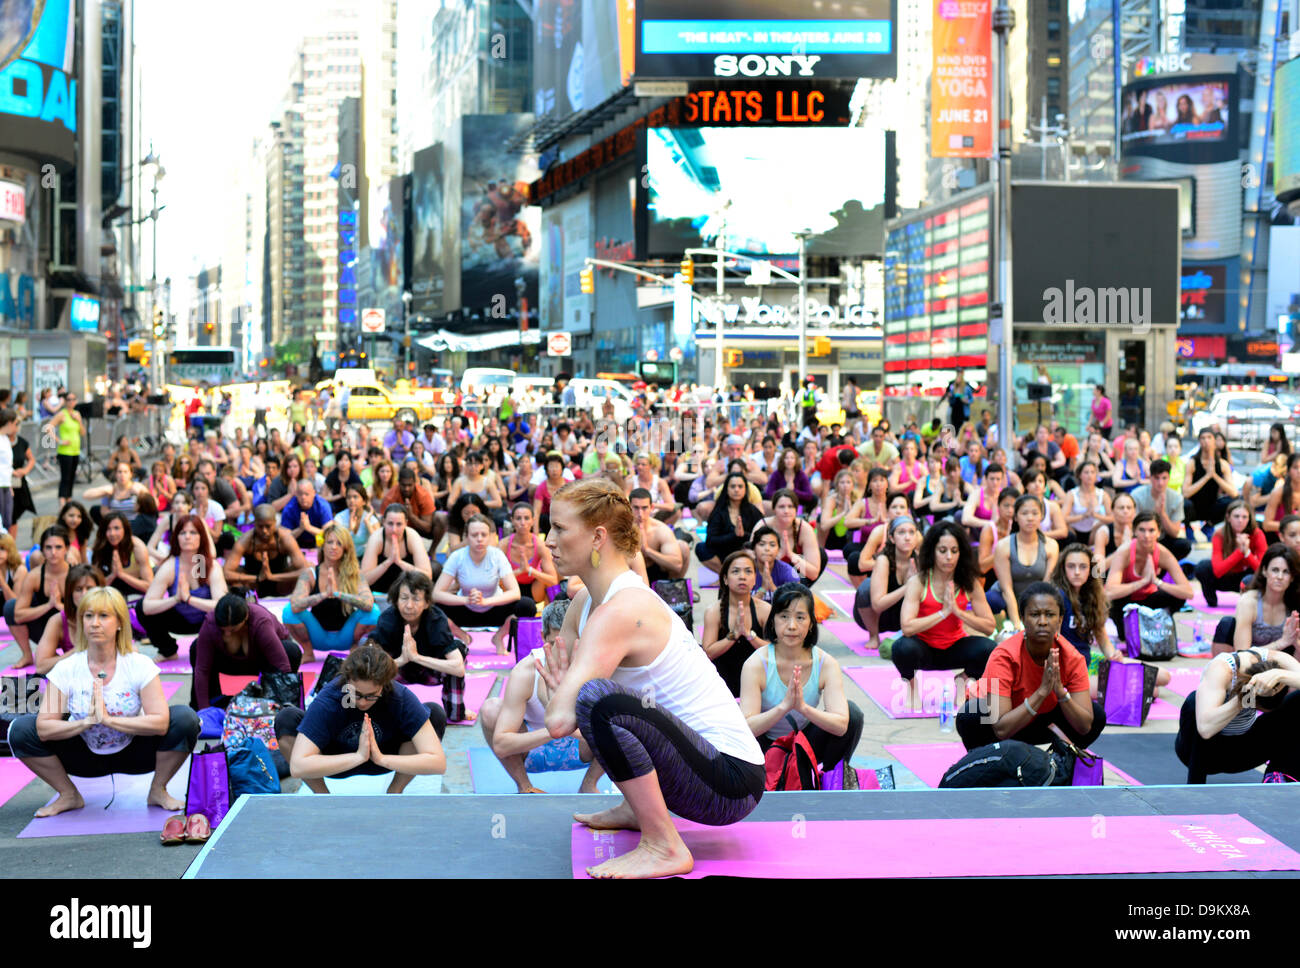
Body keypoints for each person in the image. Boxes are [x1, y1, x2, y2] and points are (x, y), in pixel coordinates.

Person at [537, 478, 765, 879]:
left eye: (559, 528)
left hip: (731, 783)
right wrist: (568, 702)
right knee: (597, 701)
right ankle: (636, 809)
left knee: (597, 699)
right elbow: (580, 740)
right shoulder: (585, 603)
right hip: (696, 769)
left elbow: (559, 720)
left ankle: (664, 844)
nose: (548, 540)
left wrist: (565, 696)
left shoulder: (623, 609)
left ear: (597, 537)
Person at [8, 587, 200, 817]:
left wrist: (109, 720)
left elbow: (160, 723)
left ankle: (158, 790)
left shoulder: (139, 664)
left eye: (103, 616)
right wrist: (85, 723)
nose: (95, 623)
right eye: (88, 616)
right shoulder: (66, 668)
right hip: (83, 756)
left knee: (185, 719)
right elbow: (43, 727)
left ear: (119, 622)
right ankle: (68, 794)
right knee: (20, 730)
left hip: (136, 754)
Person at [276, 644, 446, 793]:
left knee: (433, 713)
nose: (363, 702)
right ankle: (323, 795)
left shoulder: (400, 696)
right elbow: (298, 767)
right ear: (347, 681)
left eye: (371, 696)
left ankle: (395, 790)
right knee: (286, 718)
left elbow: (438, 763)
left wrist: (381, 758)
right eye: (356, 694)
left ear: (384, 685)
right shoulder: (330, 698)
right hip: (337, 761)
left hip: (384, 758)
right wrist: (359, 756)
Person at [957, 582, 1106, 752]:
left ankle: (1056, 765)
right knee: (970, 714)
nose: (1042, 622)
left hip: (1041, 720)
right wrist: (1042, 691)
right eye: (1035, 614)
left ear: (1060, 620)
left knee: (1096, 715)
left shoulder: (1072, 657)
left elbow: (1085, 727)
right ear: (1022, 618)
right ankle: (988, 762)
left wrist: (1060, 692)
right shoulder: (1004, 656)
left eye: (1050, 615)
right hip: (1002, 723)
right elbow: (1001, 729)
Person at [478, 599, 605, 793]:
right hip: (531, 749)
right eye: (556, 644)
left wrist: (565, 728)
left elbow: (612, 731)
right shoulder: (526, 670)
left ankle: (589, 784)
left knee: (623, 717)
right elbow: (502, 745)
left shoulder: (597, 665)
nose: (565, 652)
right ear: (543, 637)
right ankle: (524, 786)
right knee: (491, 709)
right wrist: (554, 730)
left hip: (581, 748)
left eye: (572, 644)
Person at [740, 582, 863, 778]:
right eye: (784, 617)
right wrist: (784, 707)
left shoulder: (826, 663)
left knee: (853, 714)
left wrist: (803, 707)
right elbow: (746, 728)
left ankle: (830, 778)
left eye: (800, 617)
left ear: (811, 623)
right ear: (773, 621)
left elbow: (841, 726)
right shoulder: (756, 664)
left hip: (805, 744)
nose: (791, 626)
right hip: (764, 748)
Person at [894, 520, 998, 711]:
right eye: (942, 551)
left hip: (954, 648)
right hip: (924, 648)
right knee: (901, 648)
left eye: (954, 551)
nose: (949, 557)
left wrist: (959, 613)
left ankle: (963, 680)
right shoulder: (919, 581)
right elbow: (907, 627)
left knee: (991, 650)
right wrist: (943, 613)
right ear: (933, 552)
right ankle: (911, 688)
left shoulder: (969, 582)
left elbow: (990, 626)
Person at [1174, 627, 1300, 784]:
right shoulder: (1221, 669)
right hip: (1202, 753)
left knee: (1298, 700)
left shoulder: (1278, 660)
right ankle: (1195, 787)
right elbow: (1205, 729)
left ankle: (1278, 774)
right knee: (1195, 703)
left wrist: (1282, 675)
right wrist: (1243, 699)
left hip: (1243, 749)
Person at [1050, 544, 1170, 693]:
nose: (1076, 572)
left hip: (1088, 661)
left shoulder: (1092, 597)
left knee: (1163, 676)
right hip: (1068, 671)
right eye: (1071, 566)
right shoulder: (1057, 597)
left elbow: (1103, 640)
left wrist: (1114, 655)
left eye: (1083, 567)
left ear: (1090, 570)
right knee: (1151, 691)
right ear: (1063, 569)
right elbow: (1052, 642)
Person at [366, 571, 471, 720]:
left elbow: (458, 669)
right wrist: (403, 659)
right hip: (396, 671)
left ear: (427, 602)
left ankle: (455, 710)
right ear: (396, 600)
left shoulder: (436, 620)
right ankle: (382, 708)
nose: (409, 605)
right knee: (369, 662)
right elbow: (369, 669)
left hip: (430, 671)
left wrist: (416, 657)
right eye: (404, 598)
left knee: (460, 649)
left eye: (416, 599)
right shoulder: (388, 619)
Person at [283, 524, 383, 663]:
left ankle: (355, 650)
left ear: (345, 548)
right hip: (317, 636)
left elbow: (368, 603)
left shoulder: (355, 574)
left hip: (346, 636)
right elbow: (294, 605)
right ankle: (308, 651)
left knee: (374, 612)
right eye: (330, 542)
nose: (334, 547)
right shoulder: (310, 573)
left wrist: (338, 594)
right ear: (323, 545)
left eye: (339, 543)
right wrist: (324, 594)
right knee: (289, 611)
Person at [137, 513, 227, 659]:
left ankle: (221, 648)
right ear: (176, 537)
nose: (187, 537)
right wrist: (177, 598)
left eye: (193, 532)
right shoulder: (170, 566)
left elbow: (222, 606)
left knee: (232, 606)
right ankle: (168, 650)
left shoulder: (210, 566)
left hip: (208, 622)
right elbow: (147, 607)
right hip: (180, 621)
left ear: (201, 537)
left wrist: (189, 599)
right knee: (140, 606)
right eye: (183, 533)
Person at [189, 595, 302, 711]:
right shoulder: (210, 623)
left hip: (262, 660)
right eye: (223, 630)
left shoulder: (260, 621)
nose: (228, 634)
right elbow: (202, 671)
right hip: (228, 662)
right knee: (196, 648)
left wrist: (287, 706)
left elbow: (282, 664)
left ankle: (275, 703)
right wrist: (204, 711)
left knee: (291, 651)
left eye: (232, 629)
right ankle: (211, 702)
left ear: (246, 618)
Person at [433, 514, 534, 644]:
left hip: (494, 609)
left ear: (490, 537)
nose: (479, 539)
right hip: (466, 610)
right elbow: (436, 593)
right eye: (474, 535)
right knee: (432, 608)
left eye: (484, 535)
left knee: (527, 605)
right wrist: (467, 600)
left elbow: (515, 592)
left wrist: (486, 601)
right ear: (467, 537)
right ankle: (463, 637)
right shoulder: (457, 556)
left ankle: (499, 637)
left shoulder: (497, 555)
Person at [1103, 512, 1195, 641]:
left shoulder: (1163, 553)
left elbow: (1188, 592)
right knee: (1113, 603)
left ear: (1159, 533)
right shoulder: (1125, 551)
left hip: (1149, 600)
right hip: (1126, 603)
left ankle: (1161, 622)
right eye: (1142, 530)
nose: (1146, 536)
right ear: (1134, 531)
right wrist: (1142, 582)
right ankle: (1127, 628)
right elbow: (1109, 592)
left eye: (1151, 530)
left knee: (1177, 596)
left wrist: (1157, 582)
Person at [700, 550, 772, 696]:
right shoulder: (713, 611)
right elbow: (708, 653)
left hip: (757, 683)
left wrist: (750, 635)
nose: (742, 576)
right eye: (735, 571)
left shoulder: (765, 610)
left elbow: (775, 652)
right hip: (722, 683)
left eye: (748, 571)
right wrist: (733, 635)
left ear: (754, 579)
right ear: (725, 579)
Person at [1208, 545, 1300, 656]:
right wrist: (1281, 643)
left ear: (1292, 577)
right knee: (1226, 624)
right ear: (1265, 571)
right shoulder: (1249, 601)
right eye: (1275, 570)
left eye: (1286, 572)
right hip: (1247, 666)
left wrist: (1296, 643)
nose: (1280, 576)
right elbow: (1241, 655)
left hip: (1281, 665)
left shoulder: (1295, 604)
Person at [987, 495, 1060, 629]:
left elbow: (1046, 584)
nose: (1030, 518)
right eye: (1024, 513)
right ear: (1015, 517)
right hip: (1007, 596)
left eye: (1035, 513)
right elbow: (1006, 588)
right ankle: (998, 633)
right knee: (992, 599)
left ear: (1041, 516)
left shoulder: (1051, 545)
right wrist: (1017, 625)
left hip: (1037, 597)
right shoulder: (1004, 546)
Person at [853, 515, 919, 651]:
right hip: (878, 617)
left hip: (903, 616)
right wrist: (909, 585)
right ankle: (873, 636)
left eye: (911, 532)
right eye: (901, 532)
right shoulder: (884, 560)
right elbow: (877, 605)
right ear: (892, 538)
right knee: (865, 588)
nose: (907, 537)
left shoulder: (920, 560)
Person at [224, 504, 310, 599]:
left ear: (275, 523)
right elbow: (226, 573)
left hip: (281, 585)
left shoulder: (285, 538)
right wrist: (257, 578)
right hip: (253, 585)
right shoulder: (245, 541)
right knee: (231, 577)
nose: (264, 531)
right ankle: (246, 603)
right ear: (255, 524)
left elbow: (305, 570)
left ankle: (294, 602)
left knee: (309, 569)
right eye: (260, 526)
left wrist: (273, 577)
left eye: (268, 526)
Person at [1194, 499, 1266, 608]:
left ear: (1249, 518)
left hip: (1246, 578)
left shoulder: (1257, 534)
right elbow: (1218, 571)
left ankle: (1251, 603)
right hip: (1225, 577)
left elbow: (1263, 570)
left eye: (1244, 517)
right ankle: (1211, 601)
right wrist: (1239, 552)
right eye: (1236, 516)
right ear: (1228, 517)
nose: (1240, 520)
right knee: (1203, 567)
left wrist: (1247, 553)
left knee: (1257, 575)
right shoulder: (1219, 535)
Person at [33, 565, 103, 675]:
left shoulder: (112, 616)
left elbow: (130, 651)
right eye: (78, 589)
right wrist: (77, 651)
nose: (84, 594)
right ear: (70, 594)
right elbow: (41, 667)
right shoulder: (58, 620)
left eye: (89, 589)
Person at [697, 473, 765, 575]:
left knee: (754, 552)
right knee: (701, 548)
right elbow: (710, 540)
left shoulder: (752, 511)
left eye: (740, 486)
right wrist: (733, 535)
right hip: (723, 553)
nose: (736, 489)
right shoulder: (719, 511)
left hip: (745, 552)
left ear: (745, 489)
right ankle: (725, 576)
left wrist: (743, 535)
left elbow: (762, 535)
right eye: (733, 486)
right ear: (727, 489)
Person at [752, 489, 824, 586]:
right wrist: (779, 555)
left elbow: (813, 574)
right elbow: (751, 563)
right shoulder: (763, 525)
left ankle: (798, 591)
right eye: (781, 507)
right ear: (774, 509)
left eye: (790, 507)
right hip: (765, 572)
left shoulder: (804, 528)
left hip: (794, 573)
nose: (786, 511)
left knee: (822, 555)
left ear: (796, 509)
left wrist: (791, 555)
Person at [361, 504, 435, 596]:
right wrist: (388, 562)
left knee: (436, 568)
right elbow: (365, 580)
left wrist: (400, 562)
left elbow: (427, 576)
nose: (394, 530)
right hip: (381, 588)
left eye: (399, 524)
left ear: (406, 523)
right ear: (383, 522)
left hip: (408, 588)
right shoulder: (376, 538)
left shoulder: (412, 537)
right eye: (390, 524)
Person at [1183, 429, 1238, 541]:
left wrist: (1215, 476)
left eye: (1209, 437)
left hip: (1212, 505)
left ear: (1214, 441)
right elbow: (1185, 493)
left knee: (1233, 503)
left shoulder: (1222, 464)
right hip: (1195, 506)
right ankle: (1188, 529)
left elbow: (1234, 492)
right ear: (1199, 441)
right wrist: (1206, 477)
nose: (1206, 441)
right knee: (1184, 504)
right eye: (1203, 438)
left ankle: (1209, 525)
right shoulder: (1192, 462)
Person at [44, 391, 84, 507]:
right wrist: (59, 441)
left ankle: (69, 502)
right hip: (65, 451)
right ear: (65, 402)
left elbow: (82, 432)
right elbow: (48, 427)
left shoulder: (77, 414)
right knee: (65, 478)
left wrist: (79, 421)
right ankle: (62, 504)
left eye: (73, 399)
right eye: (69, 399)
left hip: (75, 451)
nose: (71, 402)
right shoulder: (62, 414)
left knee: (72, 478)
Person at [382, 466, 441, 543]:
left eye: (409, 485)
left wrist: (411, 515)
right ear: (398, 483)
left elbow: (428, 528)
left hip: (419, 528)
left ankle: (432, 551)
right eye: (404, 485)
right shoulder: (390, 496)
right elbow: (385, 523)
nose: (407, 488)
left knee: (441, 518)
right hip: (398, 529)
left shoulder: (423, 495)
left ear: (415, 483)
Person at [1065, 461, 1112, 547]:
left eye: (1092, 472)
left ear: (1096, 475)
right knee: (1065, 527)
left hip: (1093, 531)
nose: (1089, 475)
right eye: (1086, 472)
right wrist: (1083, 516)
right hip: (1074, 530)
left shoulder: (1103, 494)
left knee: (1102, 526)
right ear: (1080, 475)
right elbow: (1063, 518)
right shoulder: (1072, 494)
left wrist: (1095, 515)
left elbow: (1112, 518)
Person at [750, 525, 801, 602]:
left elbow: (793, 605)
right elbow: (743, 607)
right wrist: (763, 589)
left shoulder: (788, 572)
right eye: (762, 544)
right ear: (754, 548)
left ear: (778, 550)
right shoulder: (745, 570)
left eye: (772, 545)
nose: (767, 548)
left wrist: (771, 585)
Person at [280, 479, 333, 551]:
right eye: (300, 494)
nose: (303, 497)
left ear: (314, 493)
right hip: (296, 545)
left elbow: (329, 534)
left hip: (318, 545)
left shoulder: (323, 506)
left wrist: (309, 528)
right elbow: (285, 538)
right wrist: (300, 529)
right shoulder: (289, 508)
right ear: (295, 494)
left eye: (306, 494)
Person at [335, 482, 380, 551]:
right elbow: (337, 543)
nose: (351, 500)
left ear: (364, 501)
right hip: (345, 556)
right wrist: (350, 529)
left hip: (365, 556)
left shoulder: (371, 519)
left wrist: (367, 523)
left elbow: (378, 544)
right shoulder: (339, 517)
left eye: (355, 497)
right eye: (348, 497)